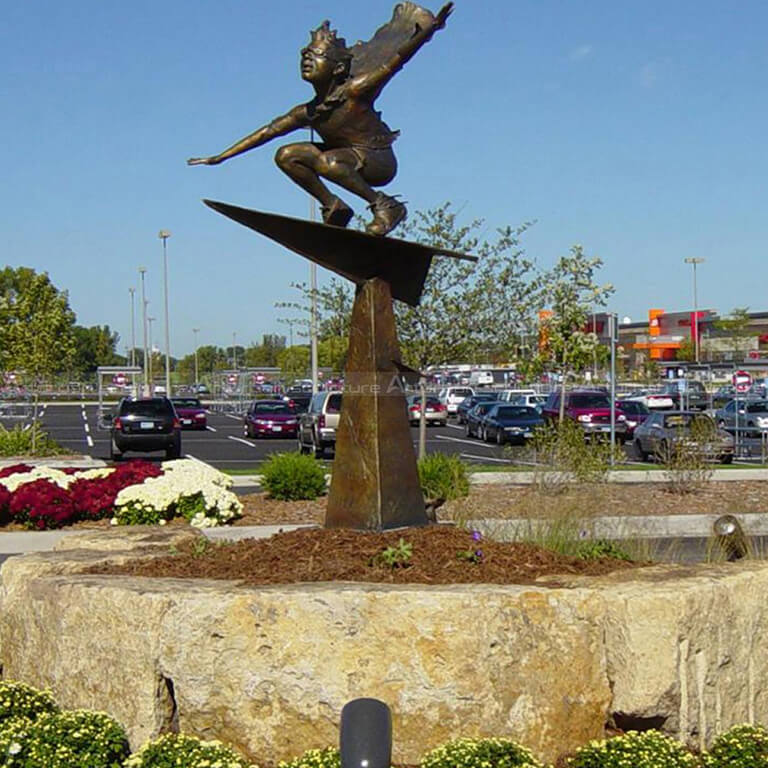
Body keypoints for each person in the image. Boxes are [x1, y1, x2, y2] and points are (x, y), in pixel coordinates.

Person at [188, 2, 453, 237]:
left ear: (337, 68)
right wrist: (220, 157)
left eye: (315, 56)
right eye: (304, 56)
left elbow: (396, 61)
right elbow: (266, 133)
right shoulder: (308, 111)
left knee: (328, 162)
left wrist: (426, 34)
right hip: (345, 157)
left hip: (377, 161)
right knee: (287, 154)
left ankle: (386, 206)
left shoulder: (356, 91)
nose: (306, 60)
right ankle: (333, 206)